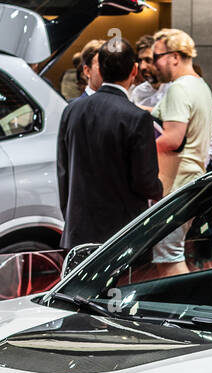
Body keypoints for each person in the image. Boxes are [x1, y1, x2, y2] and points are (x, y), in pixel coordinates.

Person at [56, 37, 162, 249]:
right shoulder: (137, 117)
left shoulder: (72, 110)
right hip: (122, 234)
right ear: (134, 71)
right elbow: (145, 182)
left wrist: (71, 217)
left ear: (100, 70)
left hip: (78, 230)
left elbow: (63, 172)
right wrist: (161, 189)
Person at [150, 28, 212, 274]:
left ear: (174, 57)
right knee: (172, 252)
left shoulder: (178, 88)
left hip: (176, 182)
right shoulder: (199, 85)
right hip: (190, 178)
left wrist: (135, 149)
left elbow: (172, 139)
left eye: (157, 57)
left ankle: (176, 309)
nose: (155, 65)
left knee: (168, 257)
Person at [129, 35, 166, 110]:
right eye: (140, 61)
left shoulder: (174, 89)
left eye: (148, 60)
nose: (142, 67)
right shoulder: (138, 92)